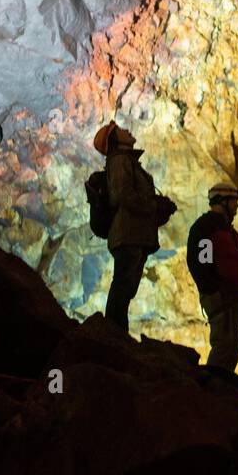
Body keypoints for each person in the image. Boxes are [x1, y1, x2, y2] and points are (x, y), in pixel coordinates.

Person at [93, 120, 160, 332]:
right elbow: (123, 196)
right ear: (115, 140)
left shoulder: (126, 161)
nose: (127, 130)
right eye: (120, 130)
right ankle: (113, 333)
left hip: (134, 235)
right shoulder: (120, 160)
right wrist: (154, 205)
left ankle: (117, 332)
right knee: (123, 286)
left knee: (126, 289)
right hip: (127, 234)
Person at [186, 183, 238, 372]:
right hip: (221, 297)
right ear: (223, 202)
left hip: (231, 297)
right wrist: (214, 289)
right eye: (234, 202)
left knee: (231, 349)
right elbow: (201, 263)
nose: (237, 206)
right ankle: (212, 393)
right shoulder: (206, 228)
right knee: (224, 347)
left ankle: (219, 391)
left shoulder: (226, 229)